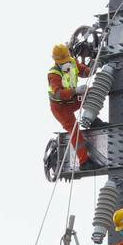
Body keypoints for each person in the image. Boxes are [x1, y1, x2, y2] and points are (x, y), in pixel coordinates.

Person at [48, 42, 95, 170]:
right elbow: (58, 94)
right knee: (75, 132)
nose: (65, 63)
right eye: (62, 61)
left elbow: (84, 72)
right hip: (61, 108)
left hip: (73, 100)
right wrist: (75, 91)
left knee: (91, 93)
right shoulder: (54, 74)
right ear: (56, 61)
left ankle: (93, 119)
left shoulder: (72, 62)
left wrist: (91, 69)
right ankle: (84, 162)